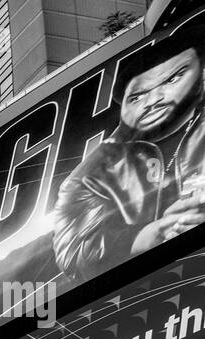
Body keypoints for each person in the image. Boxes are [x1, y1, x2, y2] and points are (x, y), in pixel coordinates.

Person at [53, 32, 205, 282]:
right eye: (137, 96)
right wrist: (145, 237)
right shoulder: (93, 172)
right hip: (153, 300)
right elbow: (72, 250)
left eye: (173, 79)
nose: (153, 101)